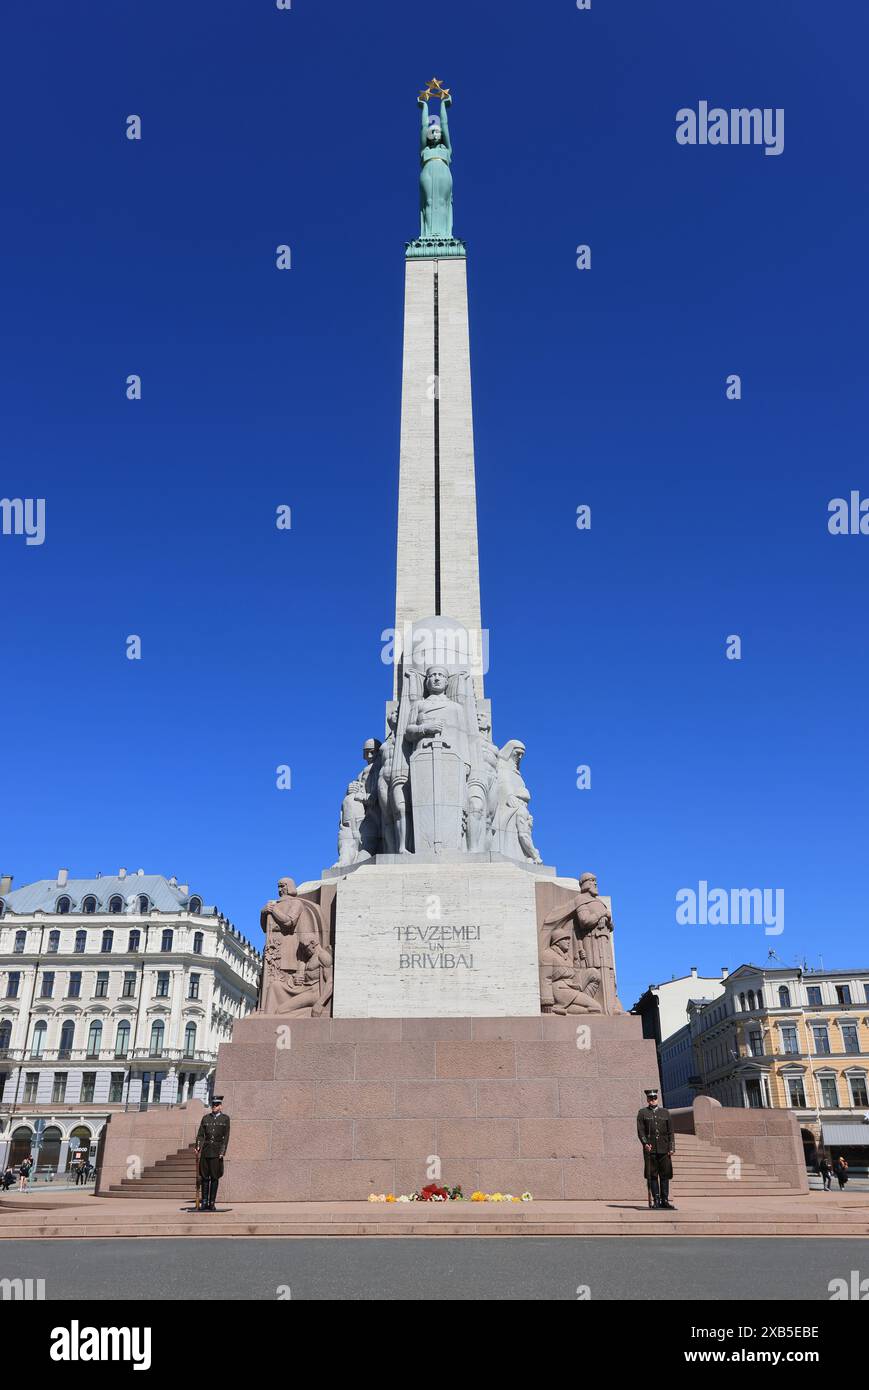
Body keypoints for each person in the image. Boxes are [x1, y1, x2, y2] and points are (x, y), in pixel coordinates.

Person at [636, 1087, 676, 1210]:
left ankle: (665, 1200)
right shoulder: (642, 1113)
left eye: (654, 1098)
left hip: (664, 1148)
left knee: (665, 1175)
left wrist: (671, 1147)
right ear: (647, 1099)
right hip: (650, 1149)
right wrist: (645, 1143)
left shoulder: (665, 1113)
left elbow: (670, 1132)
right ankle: (656, 1200)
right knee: (652, 1175)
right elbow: (641, 1131)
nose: (653, 1100)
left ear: (657, 1098)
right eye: (650, 1098)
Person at [195, 1095, 231, 1212]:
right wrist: (198, 1146)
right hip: (206, 1151)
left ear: (220, 1106)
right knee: (205, 1177)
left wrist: (222, 1151)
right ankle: (204, 1201)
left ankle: (212, 1202)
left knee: (214, 1178)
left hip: (216, 1152)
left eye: (216, 1105)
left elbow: (226, 1137)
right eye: (213, 1105)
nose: (214, 1107)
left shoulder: (225, 1119)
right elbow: (201, 1134)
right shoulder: (206, 1118)